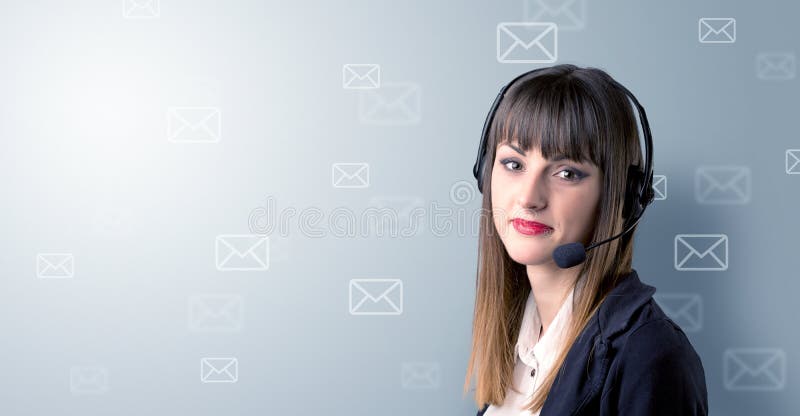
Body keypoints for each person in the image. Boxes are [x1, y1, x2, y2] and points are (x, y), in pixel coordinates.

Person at [463, 64, 708, 415]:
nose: (529, 197)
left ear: (621, 196)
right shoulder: (518, 339)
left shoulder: (650, 355)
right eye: (514, 164)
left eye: (566, 172)